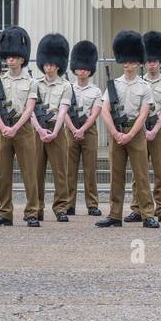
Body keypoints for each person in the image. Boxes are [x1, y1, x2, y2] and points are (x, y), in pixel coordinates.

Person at [95, 31, 158, 229]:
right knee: (116, 175)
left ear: (138, 63)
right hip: (117, 132)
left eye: (132, 62)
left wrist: (130, 134)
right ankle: (115, 214)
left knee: (141, 175)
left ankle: (147, 213)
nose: (128, 65)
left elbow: (143, 114)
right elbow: (104, 110)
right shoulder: (113, 85)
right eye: (126, 62)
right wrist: (115, 133)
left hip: (135, 133)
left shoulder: (144, 87)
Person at [0, 26, 42, 228]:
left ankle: (32, 212)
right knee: (3, 173)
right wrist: (2, 126)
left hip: (23, 128)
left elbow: (30, 108)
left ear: (22, 59)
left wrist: (15, 127)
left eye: (15, 57)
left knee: (29, 172)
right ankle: (4, 213)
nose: (10, 60)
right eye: (8, 57)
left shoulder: (31, 82)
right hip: (3, 128)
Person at [134, 32, 161, 224]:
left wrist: (154, 130)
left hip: (159, 130)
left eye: (154, 61)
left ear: (160, 62)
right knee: (139, 171)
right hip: (140, 130)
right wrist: (143, 129)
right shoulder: (138, 82)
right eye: (148, 61)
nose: (151, 64)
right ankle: (138, 208)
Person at [30, 33, 73, 222]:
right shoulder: (34, 84)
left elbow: (63, 110)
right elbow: (30, 110)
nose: (48, 67)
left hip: (56, 128)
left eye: (52, 64)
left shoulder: (66, 86)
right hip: (37, 129)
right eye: (46, 64)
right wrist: (39, 130)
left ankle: (61, 207)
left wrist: (55, 132)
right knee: (36, 171)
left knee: (60, 171)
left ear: (58, 65)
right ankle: (36, 207)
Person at [64, 40, 103, 217]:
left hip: (89, 131)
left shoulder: (96, 91)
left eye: (86, 68)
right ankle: (68, 204)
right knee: (69, 170)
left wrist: (82, 129)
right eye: (80, 68)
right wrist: (73, 129)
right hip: (70, 130)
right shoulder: (67, 88)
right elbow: (63, 111)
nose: (82, 71)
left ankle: (92, 204)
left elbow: (95, 113)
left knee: (90, 170)